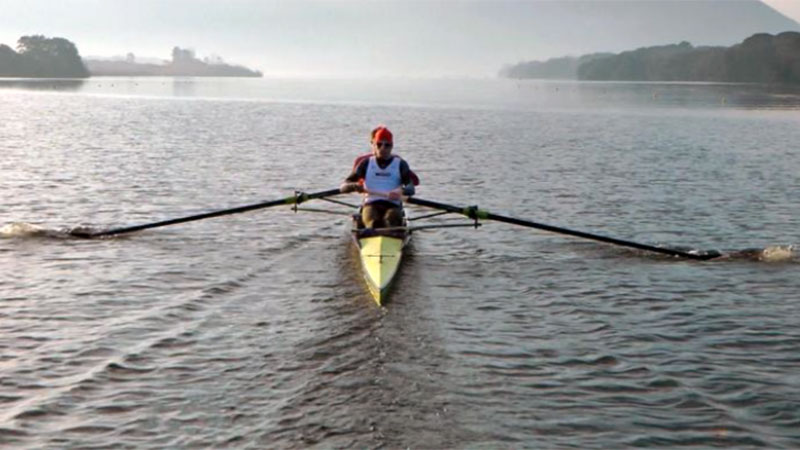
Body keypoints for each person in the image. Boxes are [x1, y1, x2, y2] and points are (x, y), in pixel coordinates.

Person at [341, 126, 416, 229]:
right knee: (372, 223)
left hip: (393, 205)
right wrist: (354, 186)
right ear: (374, 145)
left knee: (390, 222)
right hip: (371, 204)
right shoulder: (366, 164)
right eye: (379, 144)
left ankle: (389, 233)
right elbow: (343, 186)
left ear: (392, 146)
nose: (383, 148)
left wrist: (401, 191)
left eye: (387, 145)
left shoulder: (400, 164)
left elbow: (411, 188)